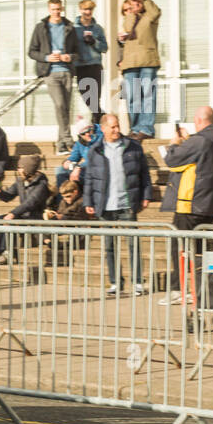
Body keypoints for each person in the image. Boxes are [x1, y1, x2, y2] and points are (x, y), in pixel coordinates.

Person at [159, 105, 213, 305]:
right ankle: (199, 289)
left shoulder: (200, 141)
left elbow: (172, 160)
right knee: (201, 250)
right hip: (209, 204)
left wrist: (174, 144)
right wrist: (188, 140)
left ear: (198, 120)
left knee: (179, 248)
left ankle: (180, 289)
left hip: (190, 204)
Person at [82, 114, 155, 295]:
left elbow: (144, 174)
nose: (116, 130)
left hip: (127, 202)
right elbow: (90, 178)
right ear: (104, 128)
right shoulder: (96, 150)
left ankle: (137, 282)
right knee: (109, 246)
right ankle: (115, 282)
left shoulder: (133, 147)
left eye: (117, 126)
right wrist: (88, 201)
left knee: (133, 244)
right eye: (112, 127)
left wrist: (146, 195)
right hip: (105, 205)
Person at [27, 0, 79, 154]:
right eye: (53, 9)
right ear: (49, 10)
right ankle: (68, 140)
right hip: (50, 72)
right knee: (60, 105)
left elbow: (77, 52)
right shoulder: (41, 27)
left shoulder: (69, 27)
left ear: (61, 9)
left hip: (67, 72)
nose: (56, 12)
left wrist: (69, 57)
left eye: (58, 9)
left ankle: (61, 144)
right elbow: (31, 51)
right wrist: (47, 57)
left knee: (65, 109)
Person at [116, 0, 161, 141]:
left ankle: (146, 128)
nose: (135, 4)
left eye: (138, 0)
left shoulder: (150, 16)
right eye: (132, 1)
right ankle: (135, 129)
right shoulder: (129, 17)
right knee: (133, 97)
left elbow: (155, 11)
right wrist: (131, 12)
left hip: (148, 61)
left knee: (148, 96)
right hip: (130, 63)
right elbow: (128, 28)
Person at [0, 153, 51, 261]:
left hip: (36, 217)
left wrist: (13, 213)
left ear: (28, 170)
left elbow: (30, 203)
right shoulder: (20, 181)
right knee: (0, 219)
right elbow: (9, 196)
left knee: (10, 221)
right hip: (23, 215)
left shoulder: (41, 184)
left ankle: (8, 252)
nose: (18, 170)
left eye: (20, 168)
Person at [74, 0, 108, 123]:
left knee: (95, 99)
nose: (87, 12)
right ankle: (104, 118)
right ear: (80, 10)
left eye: (90, 9)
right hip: (81, 66)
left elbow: (105, 48)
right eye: (85, 9)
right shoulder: (74, 28)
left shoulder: (98, 28)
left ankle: (97, 124)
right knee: (87, 99)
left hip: (95, 66)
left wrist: (94, 41)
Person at [55, 120, 98, 192]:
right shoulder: (80, 143)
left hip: (95, 169)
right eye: (84, 133)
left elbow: (95, 159)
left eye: (89, 130)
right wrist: (67, 161)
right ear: (80, 135)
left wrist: (79, 167)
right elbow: (74, 156)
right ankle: (63, 199)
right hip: (84, 169)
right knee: (60, 170)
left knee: (78, 175)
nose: (87, 134)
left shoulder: (99, 140)